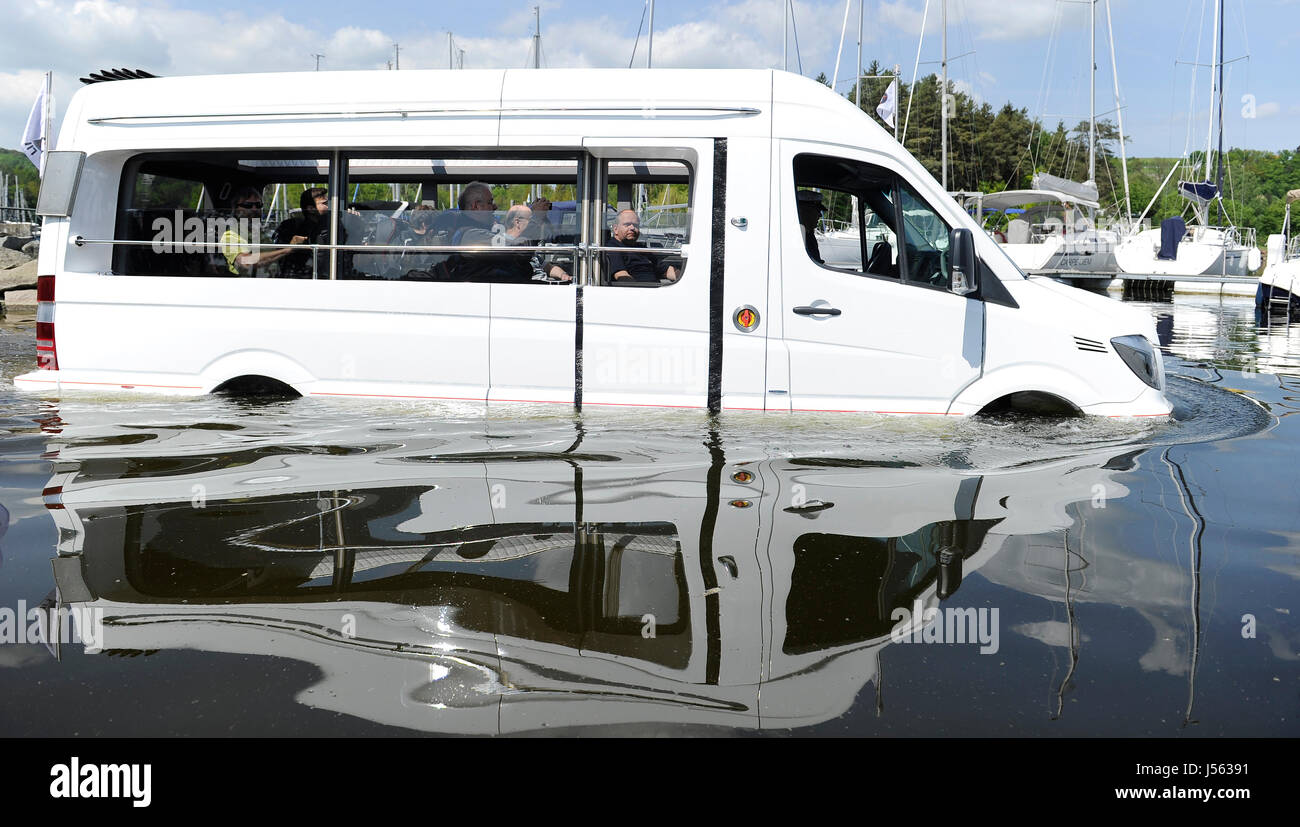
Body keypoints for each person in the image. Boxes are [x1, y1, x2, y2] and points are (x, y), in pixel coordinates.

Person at [220, 186, 305, 276]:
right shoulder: (230, 236)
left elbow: (272, 259)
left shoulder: (262, 233)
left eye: (258, 205)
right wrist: (287, 250)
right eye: (248, 205)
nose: (254, 209)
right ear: (236, 210)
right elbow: (246, 263)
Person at [605, 209, 679, 283]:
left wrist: (683, 278)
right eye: (627, 225)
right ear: (615, 229)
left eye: (635, 225)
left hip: (657, 289)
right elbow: (622, 276)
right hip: (638, 291)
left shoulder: (641, 248)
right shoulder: (613, 248)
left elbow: (665, 270)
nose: (632, 228)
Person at [273, 187, 329, 277]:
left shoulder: (331, 225)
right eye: (325, 203)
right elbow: (279, 258)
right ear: (311, 209)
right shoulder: (290, 228)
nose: (330, 206)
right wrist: (292, 245)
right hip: (296, 278)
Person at [795, 189, 824, 264]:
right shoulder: (796, 237)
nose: (820, 215)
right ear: (805, 211)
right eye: (818, 210)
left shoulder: (809, 234)